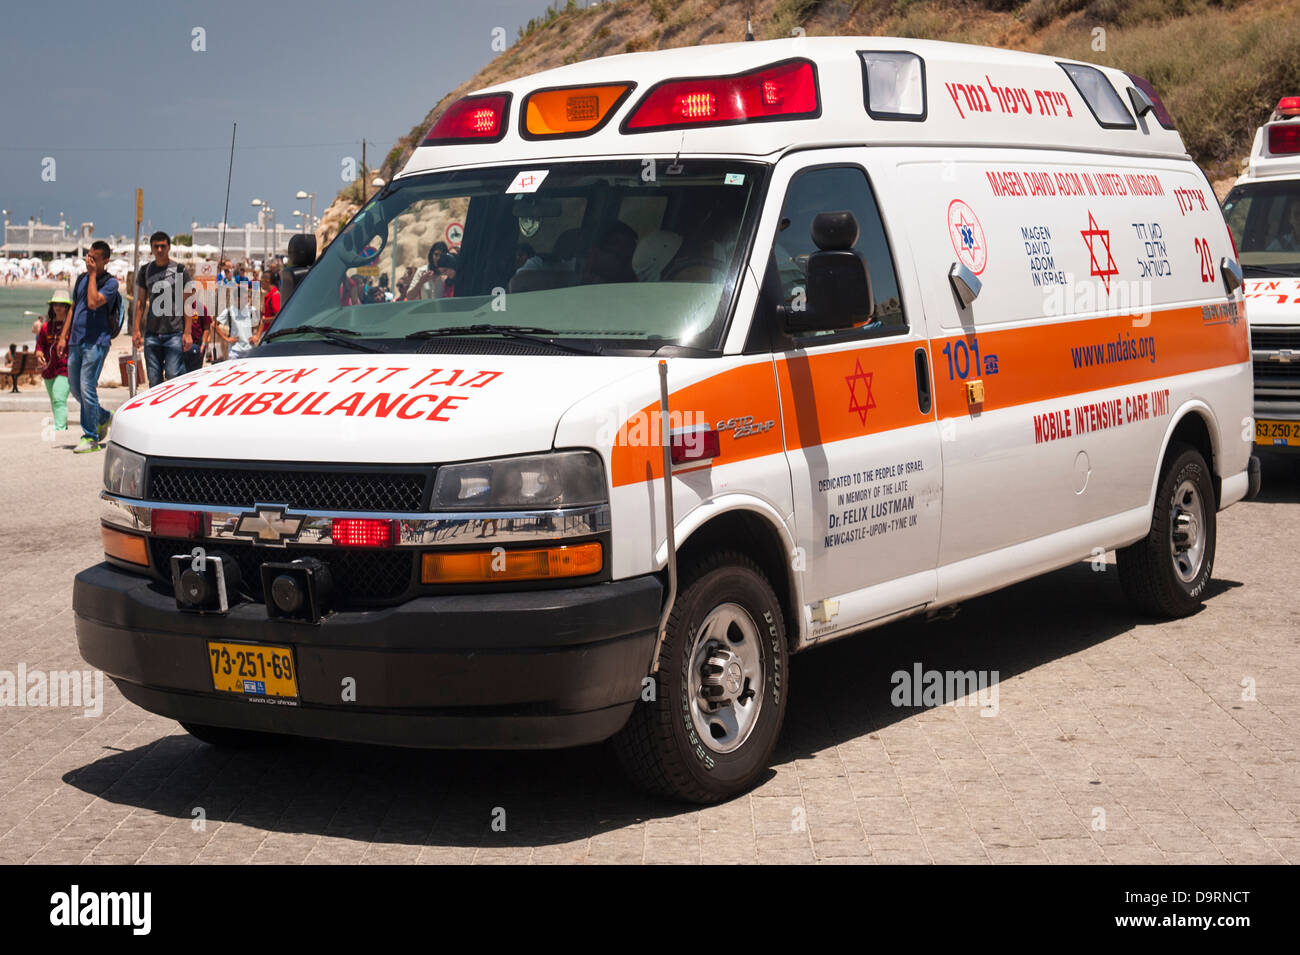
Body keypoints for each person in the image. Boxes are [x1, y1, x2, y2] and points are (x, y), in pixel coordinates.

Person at [60, 240, 118, 453]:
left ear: (105, 260)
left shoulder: (110, 283)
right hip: (76, 340)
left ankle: (91, 437)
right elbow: (74, 308)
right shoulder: (81, 279)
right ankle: (103, 417)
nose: (88, 260)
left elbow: (93, 302)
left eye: (94, 258)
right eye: (88, 256)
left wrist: (93, 274)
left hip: (97, 342)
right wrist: (63, 336)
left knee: (87, 387)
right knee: (75, 389)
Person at [133, 231, 191, 387]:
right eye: (156, 246)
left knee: (173, 374)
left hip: (174, 332)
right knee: (154, 380)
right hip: (152, 334)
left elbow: (188, 302)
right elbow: (140, 301)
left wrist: (188, 332)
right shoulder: (145, 271)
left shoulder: (180, 270)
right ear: (151, 248)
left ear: (169, 247)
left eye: (163, 246)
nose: (159, 250)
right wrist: (136, 329)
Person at [34, 290, 72, 434]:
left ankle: (60, 429)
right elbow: (40, 346)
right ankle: (62, 424)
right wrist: (38, 354)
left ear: (67, 307)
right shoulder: (45, 327)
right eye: (56, 304)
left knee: (58, 397)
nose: (58, 307)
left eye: (62, 305)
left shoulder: (73, 327)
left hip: (65, 367)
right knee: (54, 400)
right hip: (48, 369)